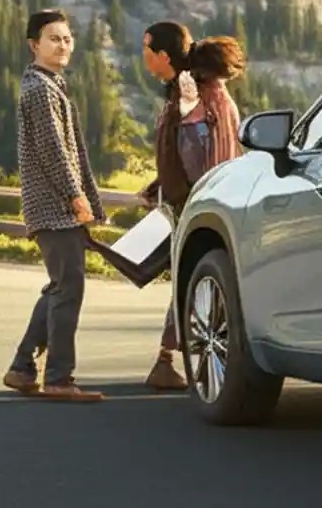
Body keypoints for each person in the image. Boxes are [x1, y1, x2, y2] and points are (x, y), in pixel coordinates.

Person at [2, 9, 107, 401]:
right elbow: (53, 150)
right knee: (69, 289)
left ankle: (22, 367)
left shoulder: (48, 84)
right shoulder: (41, 89)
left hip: (53, 205)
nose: (62, 45)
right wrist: (75, 197)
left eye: (67, 38)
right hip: (54, 206)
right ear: (34, 45)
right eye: (53, 38)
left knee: (58, 287)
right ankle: (60, 379)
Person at [137, 21, 245, 390]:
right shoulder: (191, 89)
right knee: (196, 278)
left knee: (197, 278)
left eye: (147, 50)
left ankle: (176, 359)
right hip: (198, 200)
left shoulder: (195, 93)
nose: (144, 57)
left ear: (163, 57)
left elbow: (200, 151)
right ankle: (170, 360)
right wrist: (160, 185)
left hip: (203, 203)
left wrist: (188, 111)